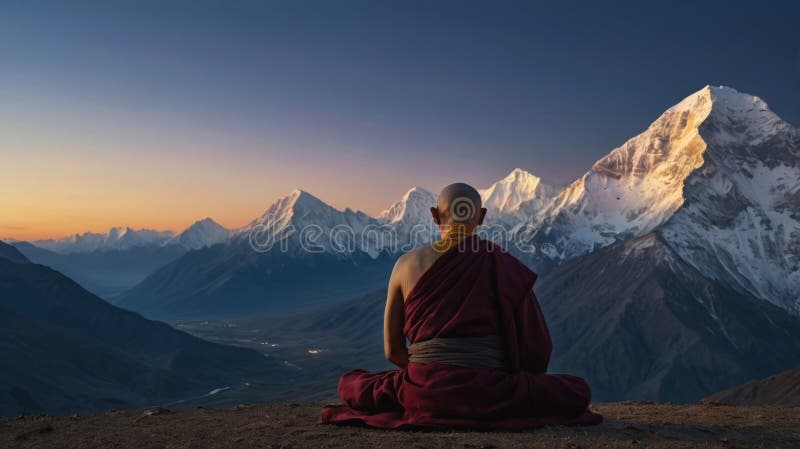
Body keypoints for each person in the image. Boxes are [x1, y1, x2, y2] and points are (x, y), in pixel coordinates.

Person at [321, 183, 602, 430]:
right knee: (577, 390)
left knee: (352, 383)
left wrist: (431, 374)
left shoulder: (405, 265)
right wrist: (494, 376)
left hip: (423, 391)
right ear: (481, 217)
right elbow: (536, 351)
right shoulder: (501, 263)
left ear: (434, 215)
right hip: (491, 393)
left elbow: (393, 351)